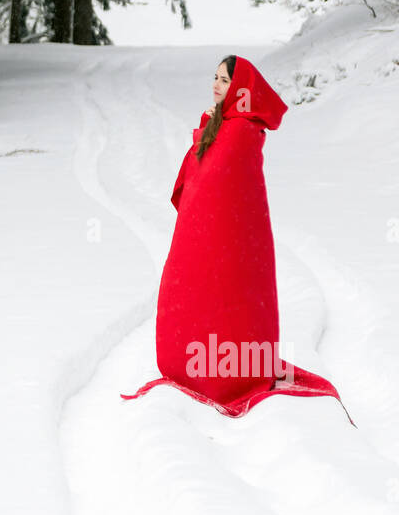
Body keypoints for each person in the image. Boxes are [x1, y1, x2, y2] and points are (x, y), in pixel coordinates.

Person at [120, 55, 355, 426]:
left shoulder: (243, 132)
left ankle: (227, 372)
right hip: (197, 240)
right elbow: (200, 186)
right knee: (190, 299)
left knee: (227, 305)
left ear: (242, 89)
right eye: (214, 77)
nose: (216, 85)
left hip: (231, 248)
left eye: (225, 80)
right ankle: (190, 366)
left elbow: (233, 194)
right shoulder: (218, 125)